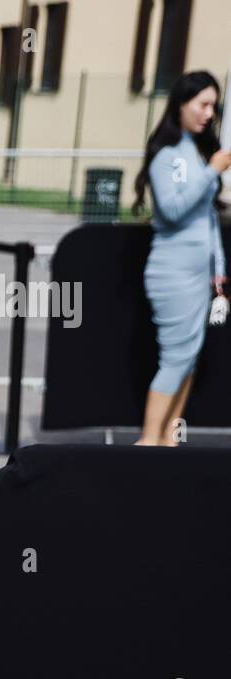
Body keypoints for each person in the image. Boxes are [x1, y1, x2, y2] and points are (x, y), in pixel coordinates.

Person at [133, 71, 230, 446]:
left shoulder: (196, 151)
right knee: (175, 359)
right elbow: (173, 210)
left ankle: (168, 440)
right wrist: (212, 172)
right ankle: (148, 442)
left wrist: (218, 275)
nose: (209, 113)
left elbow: (207, 221)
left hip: (197, 276)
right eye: (202, 104)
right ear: (181, 104)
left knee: (187, 359)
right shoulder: (169, 155)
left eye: (213, 106)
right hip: (172, 274)